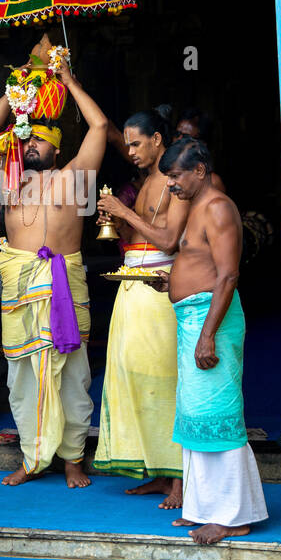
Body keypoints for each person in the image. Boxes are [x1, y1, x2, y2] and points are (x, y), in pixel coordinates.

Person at [0, 48, 108, 488]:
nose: (31, 146)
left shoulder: (75, 178)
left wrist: (67, 80)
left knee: (72, 373)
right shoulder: (6, 181)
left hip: (63, 286)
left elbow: (100, 126)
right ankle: (33, 457)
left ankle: (72, 457)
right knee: (22, 376)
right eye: (26, 139)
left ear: (56, 145)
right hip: (19, 288)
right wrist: (19, 91)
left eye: (39, 140)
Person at [152, 137, 267, 544]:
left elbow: (228, 275)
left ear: (199, 170)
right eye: (167, 177)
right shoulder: (196, 207)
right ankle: (203, 508)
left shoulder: (218, 207)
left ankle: (234, 516)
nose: (170, 184)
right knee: (195, 417)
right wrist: (172, 282)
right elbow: (199, 265)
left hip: (210, 325)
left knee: (218, 416)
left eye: (176, 175)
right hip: (194, 320)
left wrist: (207, 336)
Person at [92, 108, 188, 506]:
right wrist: (115, 221)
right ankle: (157, 470)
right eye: (127, 144)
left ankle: (181, 479)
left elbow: (168, 241)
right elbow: (140, 238)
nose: (129, 151)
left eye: (136, 144)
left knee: (166, 379)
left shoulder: (173, 182)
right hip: (131, 283)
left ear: (157, 140)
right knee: (133, 376)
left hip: (158, 287)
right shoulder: (146, 181)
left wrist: (124, 211)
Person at [174, 107, 226, 194]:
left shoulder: (213, 182)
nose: (179, 140)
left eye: (186, 137)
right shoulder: (165, 174)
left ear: (202, 144)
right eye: (177, 134)